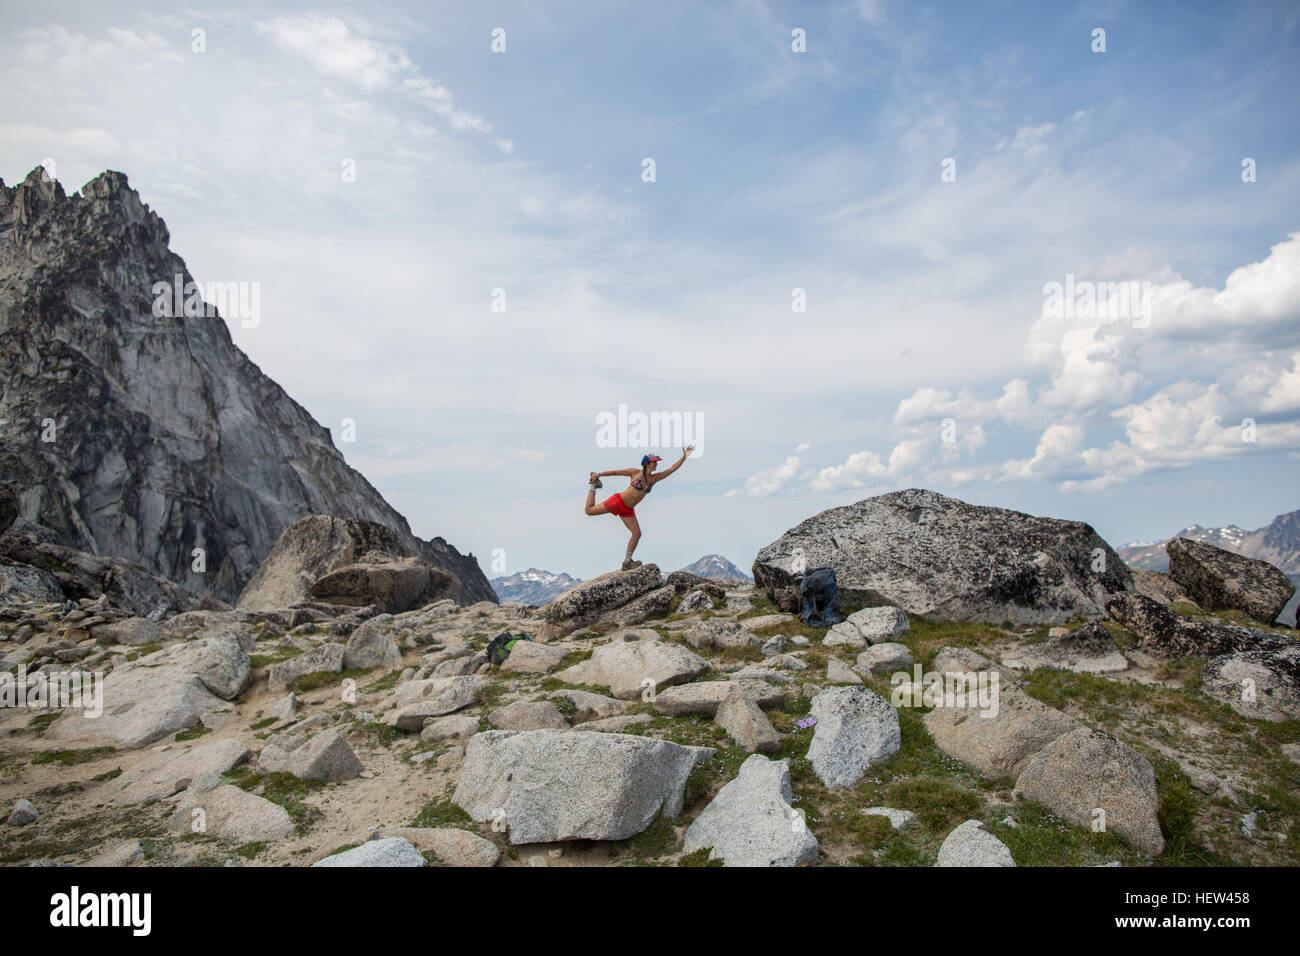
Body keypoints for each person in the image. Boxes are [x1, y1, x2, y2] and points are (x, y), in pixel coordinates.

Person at [585, 446, 694, 570]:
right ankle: (594, 486)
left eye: (656, 463)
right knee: (589, 511)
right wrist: (598, 475)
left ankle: (627, 562)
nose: (656, 465)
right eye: (654, 463)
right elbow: (615, 472)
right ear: (646, 464)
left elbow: (671, 469)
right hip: (618, 501)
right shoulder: (634, 473)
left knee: (637, 534)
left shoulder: (654, 478)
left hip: (628, 510)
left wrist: (684, 457)